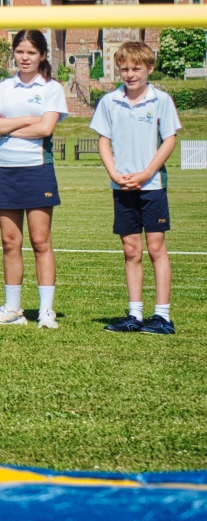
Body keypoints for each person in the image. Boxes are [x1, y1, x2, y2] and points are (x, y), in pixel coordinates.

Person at [0, 29, 68, 329]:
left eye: (31, 52)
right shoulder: (3, 88)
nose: (25, 57)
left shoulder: (52, 88)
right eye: (20, 52)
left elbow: (46, 129)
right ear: (13, 54)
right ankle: (13, 309)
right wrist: (27, 120)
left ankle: (46, 311)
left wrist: (9, 127)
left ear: (42, 55)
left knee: (40, 241)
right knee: (9, 241)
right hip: (6, 169)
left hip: (37, 169)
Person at [94, 41, 181, 334]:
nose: (130, 74)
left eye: (137, 68)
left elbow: (169, 140)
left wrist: (146, 173)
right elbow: (103, 140)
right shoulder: (109, 101)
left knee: (155, 248)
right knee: (131, 250)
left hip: (152, 185)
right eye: (125, 68)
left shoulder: (161, 101)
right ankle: (134, 315)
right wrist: (114, 173)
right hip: (122, 186)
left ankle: (162, 316)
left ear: (149, 68)